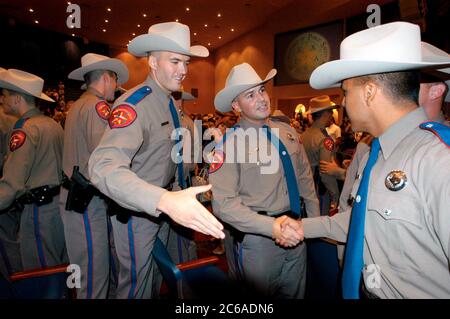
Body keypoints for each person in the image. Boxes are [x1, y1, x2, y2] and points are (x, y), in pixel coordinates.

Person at [282, 21, 450, 298]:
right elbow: (360, 222)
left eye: (346, 92)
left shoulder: (437, 159)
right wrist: (303, 226)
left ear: (370, 91)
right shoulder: (379, 153)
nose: (344, 104)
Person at [88, 22, 224, 299]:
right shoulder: (135, 105)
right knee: (136, 286)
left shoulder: (167, 102)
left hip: (160, 210)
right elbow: (101, 166)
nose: (183, 70)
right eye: (175, 61)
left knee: (151, 283)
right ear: (152, 62)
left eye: (185, 62)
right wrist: (162, 200)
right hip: (136, 213)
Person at [209, 62, 319, 298]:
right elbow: (224, 204)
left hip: (297, 230)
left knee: (295, 293)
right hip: (258, 240)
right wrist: (271, 228)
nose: (261, 98)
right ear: (236, 106)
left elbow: (305, 180)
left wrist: (314, 223)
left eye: (262, 90)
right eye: (250, 94)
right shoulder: (228, 146)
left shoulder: (288, 133)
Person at [59, 53, 129, 298]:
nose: (116, 88)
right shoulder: (98, 106)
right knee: (93, 274)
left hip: (78, 199)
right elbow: (106, 158)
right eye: (115, 81)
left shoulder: (79, 104)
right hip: (86, 202)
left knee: (88, 270)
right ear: (107, 78)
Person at [0, 69, 67, 272]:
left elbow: (12, 183)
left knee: (39, 271)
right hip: (58, 206)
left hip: (38, 212)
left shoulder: (25, 130)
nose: (2, 99)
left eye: (4, 94)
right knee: (56, 267)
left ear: (17, 98)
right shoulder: (51, 124)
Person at [165, 90, 200, 264]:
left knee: (180, 239)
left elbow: (185, 161)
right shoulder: (182, 120)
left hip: (180, 184)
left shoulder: (182, 122)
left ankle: (184, 281)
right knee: (183, 236)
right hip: (180, 183)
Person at [301, 95, 340, 215]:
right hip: (319, 190)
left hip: (304, 187)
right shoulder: (324, 139)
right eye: (331, 112)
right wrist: (336, 195)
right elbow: (326, 172)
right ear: (325, 114)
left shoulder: (303, 135)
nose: (332, 115)